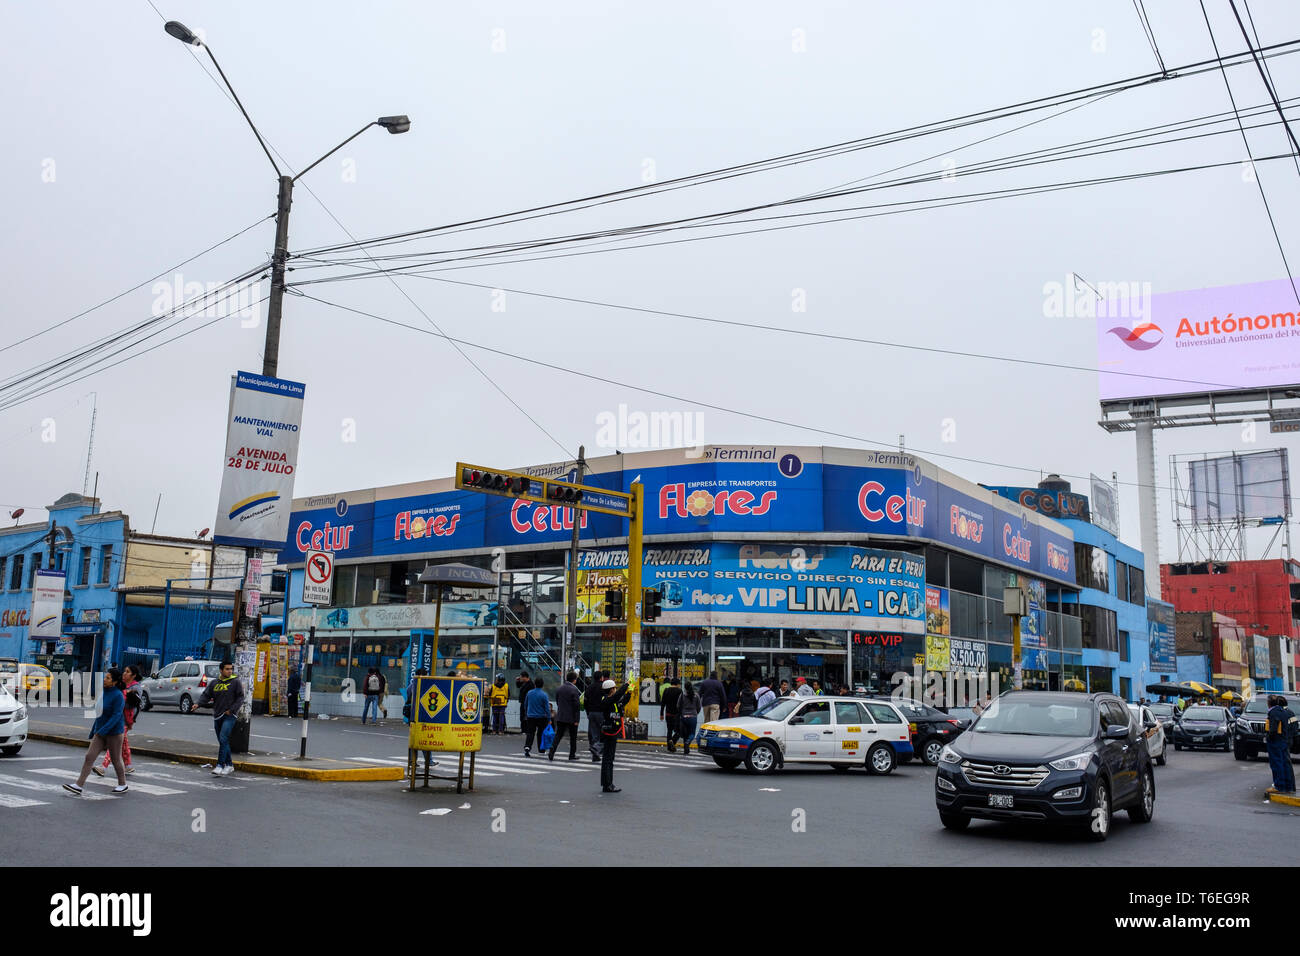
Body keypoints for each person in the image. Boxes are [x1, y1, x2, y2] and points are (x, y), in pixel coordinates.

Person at [64, 668, 129, 795]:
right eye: (105, 677)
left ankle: (123, 784)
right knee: (89, 757)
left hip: (114, 733)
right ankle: (78, 785)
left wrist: (103, 731)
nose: (105, 679)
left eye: (108, 678)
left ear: (115, 682)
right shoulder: (103, 692)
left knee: (116, 759)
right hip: (100, 732)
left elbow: (116, 716)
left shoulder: (118, 695)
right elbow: (99, 713)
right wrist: (94, 730)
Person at [197, 660, 244, 776]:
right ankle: (229, 765)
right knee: (223, 741)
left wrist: (232, 710)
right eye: (227, 669)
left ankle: (220, 765)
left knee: (223, 738)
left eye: (231, 669)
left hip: (229, 716)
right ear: (221, 670)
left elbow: (240, 697)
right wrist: (198, 704)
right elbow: (206, 695)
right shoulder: (214, 683)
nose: (230, 671)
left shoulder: (235, 682)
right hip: (217, 715)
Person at [94, 664, 141, 777]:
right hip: (118, 717)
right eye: (124, 671)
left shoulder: (136, 687)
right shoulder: (122, 685)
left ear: (133, 675)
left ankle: (103, 767)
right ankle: (128, 766)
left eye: (128, 671)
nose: (125, 673)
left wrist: (125, 695)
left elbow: (133, 705)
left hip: (125, 719)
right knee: (123, 742)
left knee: (113, 743)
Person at [597, 678, 632, 793]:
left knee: (609, 759)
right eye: (614, 688)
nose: (616, 689)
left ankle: (607, 783)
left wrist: (629, 693)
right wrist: (626, 684)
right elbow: (617, 697)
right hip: (610, 731)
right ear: (611, 690)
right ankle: (608, 785)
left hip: (613, 731)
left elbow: (621, 702)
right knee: (608, 759)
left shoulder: (611, 700)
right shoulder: (606, 700)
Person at [1265, 694, 1297, 795]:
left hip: (1276, 741)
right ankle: (1288, 786)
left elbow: (1273, 728)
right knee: (1284, 763)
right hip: (1284, 740)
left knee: (1276, 763)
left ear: (1269, 703)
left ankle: (1279, 786)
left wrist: (1269, 737)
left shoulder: (1274, 712)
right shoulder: (1284, 712)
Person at [550, 671, 582, 761]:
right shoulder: (574, 690)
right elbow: (576, 706)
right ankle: (572, 754)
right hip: (571, 717)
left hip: (561, 716)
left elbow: (557, 701)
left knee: (558, 735)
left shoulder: (560, 688)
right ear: (574, 680)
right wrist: (577, 719)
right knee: (573, 737)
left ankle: (552, 749)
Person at [523, 676, 551, 757]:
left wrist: (526, 713)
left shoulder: (529, 693)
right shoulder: (544, 695)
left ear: (535, 684)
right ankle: (541, 750)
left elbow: (525, 704)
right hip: (542, 717)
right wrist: (549, 718)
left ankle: (527, 747)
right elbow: (547, 708)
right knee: (541, 733)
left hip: (531, 716)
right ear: (542, 685)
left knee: (530, 733)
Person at [585, 670, 605, 762]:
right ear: (601, 678)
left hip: (591, 712)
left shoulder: (589, 687)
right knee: (603, 733)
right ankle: (597, 750)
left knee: (593, 734)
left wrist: (588, 712)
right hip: (601, 712)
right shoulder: (603, 687)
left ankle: (595, 754)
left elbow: (585, 701)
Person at [660, 677, 684, 753]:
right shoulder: (680, 691)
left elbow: (663, 703)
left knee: (669, 730)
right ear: (677, 684)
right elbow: (681, 704)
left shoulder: (666, 690)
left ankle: (669, 746)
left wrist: (661, 714)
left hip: (668, 714)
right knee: (679, 731)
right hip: (676, 715)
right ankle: (673, 741)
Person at [678, 680, 701, 754]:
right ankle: (688, 742)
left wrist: (681, 713)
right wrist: (696, 713)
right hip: (693, 716)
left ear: (685, 687)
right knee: (692, 733)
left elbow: (678, 705)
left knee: (685, 733)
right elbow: (699, 707)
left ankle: (686, 748)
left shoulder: (682, 695)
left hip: (684, 716)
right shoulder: (696, 695)